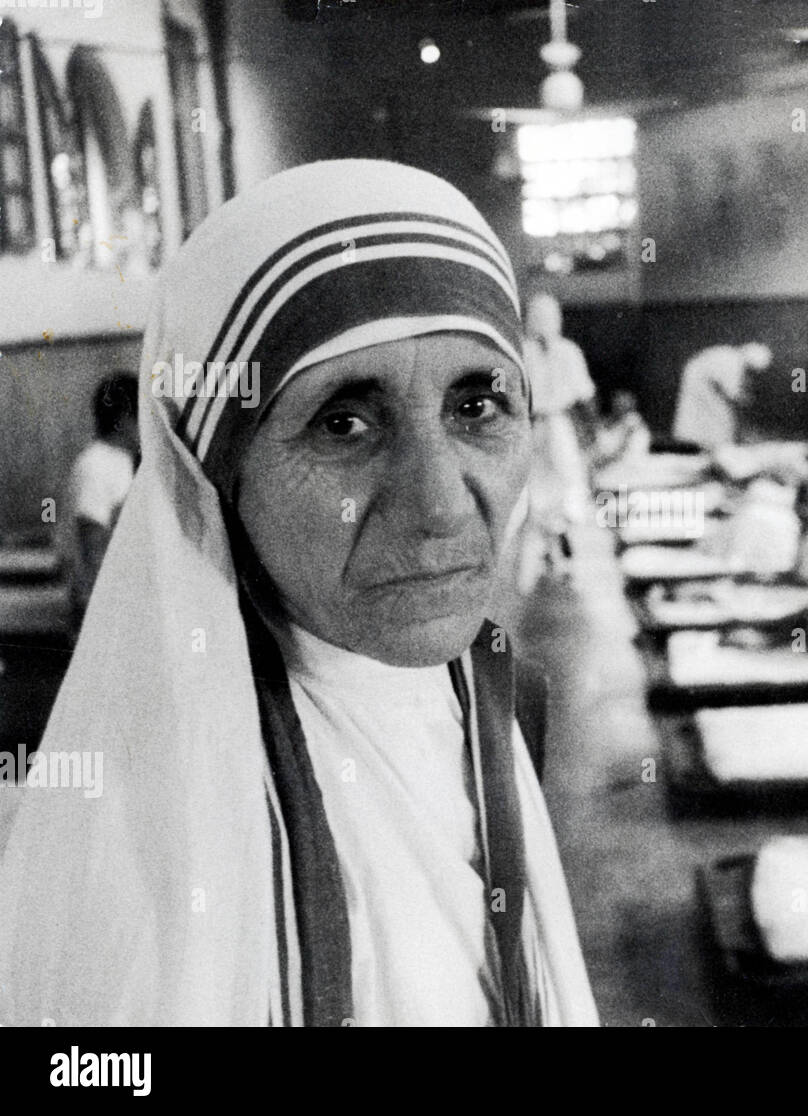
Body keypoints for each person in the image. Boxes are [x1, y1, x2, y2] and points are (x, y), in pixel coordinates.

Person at [0, 160, 598, 1027]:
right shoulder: (148, 839)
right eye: (343, 423)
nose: (438, 506)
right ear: (217, 474)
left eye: (477, 407)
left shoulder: (492, 702)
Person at [518, 292, 596, 589]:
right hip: (537, 427)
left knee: (566, 487)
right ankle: (550, 547)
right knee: (540, 490)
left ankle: (556, 542)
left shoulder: (567, 351)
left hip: (557, 427)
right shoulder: (523, 351)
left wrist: (590, 432)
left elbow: (584, 396)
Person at [65, 374, 139, 631]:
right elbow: (92, 544)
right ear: (125, 419)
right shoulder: (96, 464)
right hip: (101, 608)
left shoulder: (122, 461)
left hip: (119, 603)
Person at [670, 341, 772, 450]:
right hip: (700, 382)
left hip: (700, 379)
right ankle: (710, 445)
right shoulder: (734, 363)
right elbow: (734, 397)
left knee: (713, 414)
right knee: (720, 415)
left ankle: (704, 443)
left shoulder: (732, 356)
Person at [593, 389, 651, 470]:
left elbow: (621, 450)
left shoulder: (632, 421)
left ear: (632, 403)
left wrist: (601, 463)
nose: (618, 404)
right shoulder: (609, 421)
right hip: (610, 463)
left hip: (627, 466)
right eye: (617, 400)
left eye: (623, 401)